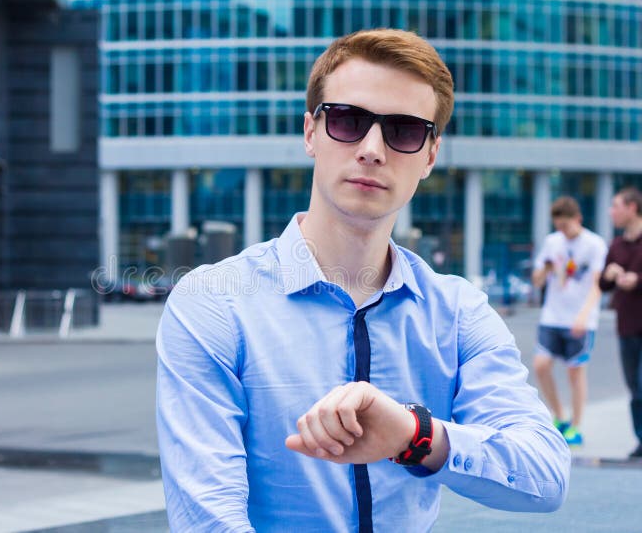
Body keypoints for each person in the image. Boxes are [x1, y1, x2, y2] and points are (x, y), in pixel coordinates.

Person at [156, 29, 569, 531]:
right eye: (349, 121)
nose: (373, 149)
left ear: (431, 155)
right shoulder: (213, 303)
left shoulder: (458, 311)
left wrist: (414, 436)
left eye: (404, 131)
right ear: (311, 132)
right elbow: (209, 519)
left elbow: (546, 474)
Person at [530, 197, 607, 447]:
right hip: (552, 315)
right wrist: (547, 268)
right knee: (540, 365)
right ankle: (560, 416)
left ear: (578, 219)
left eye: (567, 226)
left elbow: (597, 284)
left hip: (580, 318)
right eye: (559, 226)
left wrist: (584, 316)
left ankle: (576, 425)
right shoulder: (553, 242)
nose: (562, 231)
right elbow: (537, 280)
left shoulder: (594, 244)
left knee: (575, 372)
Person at [599, 186, 642, 459]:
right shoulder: (616, 245)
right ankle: (640, 440)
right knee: (635, 389)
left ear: (632, 208)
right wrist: (610, 273)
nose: (611, 212)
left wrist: (637, 280)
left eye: (616, 206)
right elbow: (602, 285)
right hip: (626, 327)